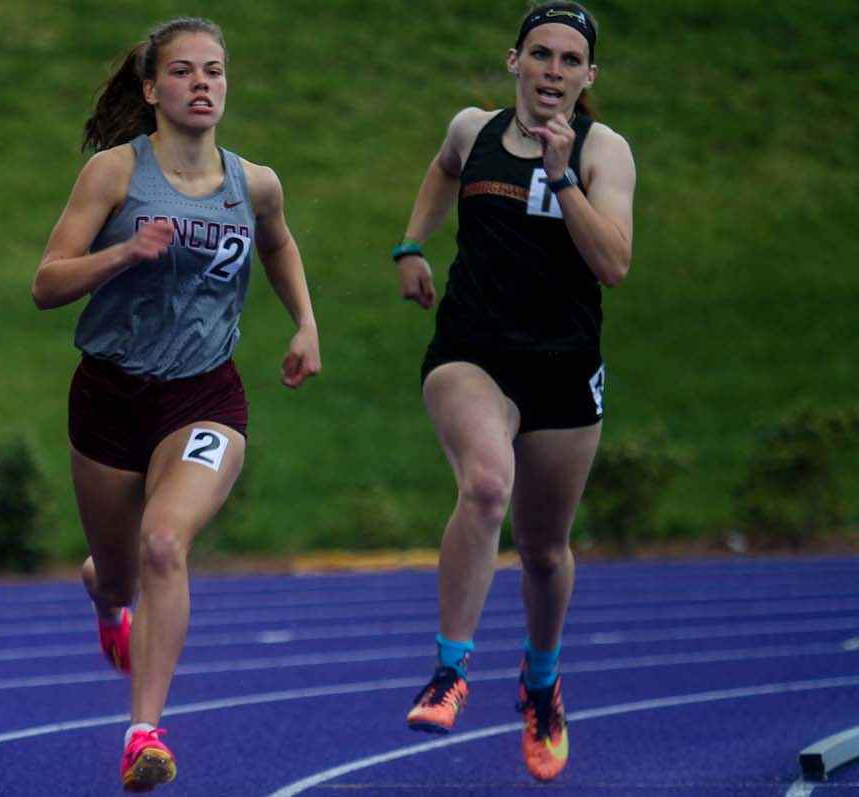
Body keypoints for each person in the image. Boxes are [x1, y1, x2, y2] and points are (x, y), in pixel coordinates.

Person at [32, 16, 320, 793]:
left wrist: (305, 321)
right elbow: (46, 283)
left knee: (165, 542)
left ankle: (143, 732)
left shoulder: (253, 181)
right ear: (153, 89)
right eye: (186, 71)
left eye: (216, 71)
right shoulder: (113, 176)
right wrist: (125, 251)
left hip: (203, 395)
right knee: (121, 574)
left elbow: (278, 241)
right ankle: (107, 594)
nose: (203, 83)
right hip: (108, 396)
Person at [390, 0, 634, 783]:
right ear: (514, 62)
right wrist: (410, 244)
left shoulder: (606, 153)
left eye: (569, 60)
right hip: (473, 351)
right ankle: (452, 667)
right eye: (540, 55)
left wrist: (563, 179)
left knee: (543, 548)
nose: (552, 72)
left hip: (563, 366)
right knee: (486, 482)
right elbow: (442, 167)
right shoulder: (475, 129)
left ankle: (540, 682)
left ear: (588, 75)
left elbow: (614, 263)